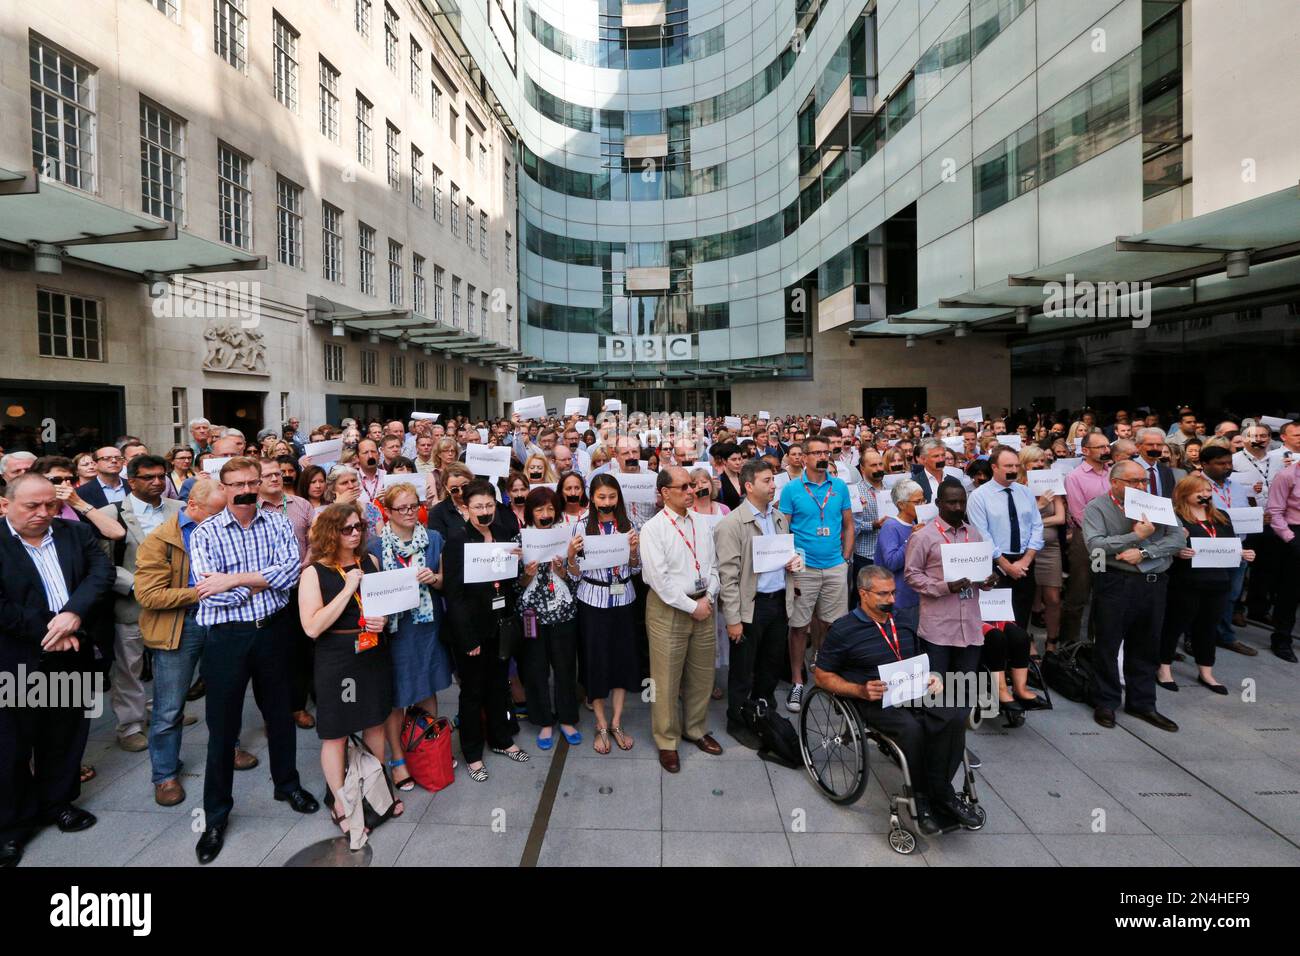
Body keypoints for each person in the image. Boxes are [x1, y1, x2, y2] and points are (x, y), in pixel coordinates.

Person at [188, 457, 318, 864]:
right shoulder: (205, 532)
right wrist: (251, 582)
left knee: (280, 713)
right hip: (227, 637)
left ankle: (287, 783)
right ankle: (215, 817)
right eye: (236, 484)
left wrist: (236, 579)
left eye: (251, 482)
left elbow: (289, 575)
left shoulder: (278, 521)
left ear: (261, 485)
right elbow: (212, 590)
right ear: (223, 489)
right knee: (222, 728)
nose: (246, 489)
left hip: (274, 630)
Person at [0, 474, 113, 868]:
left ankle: (57, 804)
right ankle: (12, 825)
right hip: (18, 658)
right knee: (13, 744)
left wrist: (72, 616)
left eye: (50, 504)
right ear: (5, 504)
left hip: (72, 651)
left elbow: (101, 576)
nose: (44, 513)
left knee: (64, 735)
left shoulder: (74, 533)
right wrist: (54, 629)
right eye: (32, 506)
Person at [814, 566, 981, 832]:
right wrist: (859, 690)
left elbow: (921, 656)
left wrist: (933, 676)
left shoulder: (903, 620)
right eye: (883, 594)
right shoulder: (843, 630)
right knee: (911, 729)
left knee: (955, 713)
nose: (892, 599)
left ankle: (941, 790)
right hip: (873, 697)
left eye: (893, 592)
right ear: (863, 594)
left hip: (913, 690)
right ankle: (922, 798)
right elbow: (821, 676)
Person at [135, 480, 259, 806]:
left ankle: (226, 749)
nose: (224, 519)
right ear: (192, 506)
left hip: (223, 621)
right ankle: (164, 775)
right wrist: (204, 591)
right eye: (217, 513)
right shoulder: (160, 540)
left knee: (225, 694)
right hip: (182, 625)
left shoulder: (227, 530)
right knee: (169, 707)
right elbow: (149, 595)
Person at [299, 503, 402, 836]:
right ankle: (341, 801)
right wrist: (346, 589)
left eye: (358, 527)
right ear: (331, 533)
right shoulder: (314, 572)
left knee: (375, 721)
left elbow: (382, 605)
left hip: (372, 650)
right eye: (347, 529)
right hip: (337, 657)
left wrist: (382, 619)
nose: (356, 533)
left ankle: (376, 790)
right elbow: (312, 627)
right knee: (337, 732)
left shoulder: (369, 561)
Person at [1082, 460, 1184, 732]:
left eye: (1143, 481)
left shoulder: (1157, 504)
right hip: (1117, 582)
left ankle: (1142, 703)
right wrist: (1133, 536)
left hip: (1153, 582)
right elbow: (1095, 547)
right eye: (1133, 481)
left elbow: (1177, 540)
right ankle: (1105, 701)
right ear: (1114, 483)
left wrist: (1145, 551)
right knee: (1108, 643)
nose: (1141, 486)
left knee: (1147, 644)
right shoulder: (1097, 507)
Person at [440, 480, 530, 781]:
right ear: (465, 508)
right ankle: (473, 753)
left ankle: (502, 740)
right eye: (478, 506)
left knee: (498, 684)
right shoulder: (456, 541)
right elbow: (453, 595)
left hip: (500, 624)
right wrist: (467, 638)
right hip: (472, 631)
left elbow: (508, 582)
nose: (485, 511)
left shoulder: (504, 533)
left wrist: (518, 565)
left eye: (489, 505)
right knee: (472, 692)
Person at [96, 454, 183, 752]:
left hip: (173, 603)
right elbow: (102, 563)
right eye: (149, 477)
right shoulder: (111, 513)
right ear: (131, 481)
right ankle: (130, 726)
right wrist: (138, 586)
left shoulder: (179, 509)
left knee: (169, 664)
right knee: (128, 668)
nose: (157, 482)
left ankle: (164, 714)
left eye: (161, 476)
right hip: (131, 604)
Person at [639, 466, 723, 773]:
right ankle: (667, 740)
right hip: (670, 609)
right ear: (665, 493)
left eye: (693, 486)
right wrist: (692, 606)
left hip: (703, 604)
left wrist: (709, 597)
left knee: (702, 674)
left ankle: (696, 728)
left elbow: (713, 567)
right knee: (665, 678)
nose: (692, 491)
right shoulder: (653, 529)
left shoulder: (702, 523)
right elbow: (658, 580)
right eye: (684, 487)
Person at [367, 483, 449, 787]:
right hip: (396, 631)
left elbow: (445, 583)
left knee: (428, 686)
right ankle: (399, 758)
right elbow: (371, 594)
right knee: (397, 695)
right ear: (388, 512)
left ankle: (428, 744)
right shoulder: (375, 547)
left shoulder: (434, 540)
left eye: (414, 506)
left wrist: (436, 579)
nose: (410, 512)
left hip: (428, 626)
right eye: (402, 508)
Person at [715, 459, 799, 749]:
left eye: (773, 480)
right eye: (766, 481)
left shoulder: (778, 518)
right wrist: (733, 619)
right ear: (749, 485)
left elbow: (781, 554)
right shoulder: (732, 524)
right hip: (751, 608)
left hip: (778, 603)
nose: (773, 485)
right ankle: (737, 719)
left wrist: (793, 561)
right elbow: (728, 576)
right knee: (742, 669)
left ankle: (763, 710)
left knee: (770, 664)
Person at [1157, 476, 1254, 694]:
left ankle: (1206, 671)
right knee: (1175, 625)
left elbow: (1230, 546)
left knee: (1208, 627)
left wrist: (1243, 554)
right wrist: (1177, 551)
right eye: (1198, 491)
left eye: (1207, 490)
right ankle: (1163, 668)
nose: (1205, 495)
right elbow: (1163, 547)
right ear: (1184, 494)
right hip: (1186, 581)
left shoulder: (1221, 517)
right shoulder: (1176, 517)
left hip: (1218, 581)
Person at [780, 435, 854, 713]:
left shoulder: (839, 487)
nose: (824, 456)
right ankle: (798, 681)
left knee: (832, 624)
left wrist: (845, 558)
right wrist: (789, 557)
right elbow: (783, 527)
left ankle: (823, 672)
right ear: (805, 458)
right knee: (799, 626)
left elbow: (848, 524)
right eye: (817, 453)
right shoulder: (792, 489)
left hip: (835, 565)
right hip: (804, 567)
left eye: (827, 452)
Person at [904, 481, 999, 688]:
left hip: (970, 626)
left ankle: (962, 719)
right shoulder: (923, 536)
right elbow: (911, 576)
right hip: (939, 628)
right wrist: (945, 587)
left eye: (962, 502)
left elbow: (982, 575)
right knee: (936, 690)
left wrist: (988, 580)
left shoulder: (973, 534)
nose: (958, 507)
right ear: (938, 503)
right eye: (952, 502)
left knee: (965, 688)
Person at [571, 474, 641, 754]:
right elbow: (573, 573)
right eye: (602, 497)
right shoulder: (580, 526)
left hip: (623, 598)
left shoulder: (628, 526)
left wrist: (634, 551)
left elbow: (635, 569)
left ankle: (616, 721)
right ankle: (600, 724)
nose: (607, 502)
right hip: (592, 600)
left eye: (612, 497)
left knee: (623, 661)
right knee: (596, 662)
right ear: (592, 498)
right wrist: (570, 554)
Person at [517, 487, 585, 750]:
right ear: (530, 512)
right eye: (539, 509)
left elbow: (576, 577)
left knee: (566, 666)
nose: (545, 514)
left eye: (550, 509)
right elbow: (517, 585)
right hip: (532, 614)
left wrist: (564, 567)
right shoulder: (520, 539)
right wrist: (528, 574)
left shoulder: (568, 536)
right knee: (536, 668)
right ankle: (544, 720)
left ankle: (567, 718)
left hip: (563, 612)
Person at [967, 446, 1043, 631]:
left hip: (1025, 563)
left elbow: (1037, 526)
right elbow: (982, 535)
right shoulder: (979, 497)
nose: (1013, 470)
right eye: (1008, 466)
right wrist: (1006, 565)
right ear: (994, 467)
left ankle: (1020, 657)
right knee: (999, 623)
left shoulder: (1025, 492)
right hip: (996, 565)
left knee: (1022, 616)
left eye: (1016, 466)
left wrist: (1026, 559)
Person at [1060, 430, 1113, 647]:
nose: (1106, 450)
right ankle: (1069, 643)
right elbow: (1078, 512)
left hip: (1111, 540)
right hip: (1088, 541)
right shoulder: (1075, 477)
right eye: (1100, 447)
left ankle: (1095, 641)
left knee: (1101, 589)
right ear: (1085, 451)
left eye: (1107, 446)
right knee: (1079, 591)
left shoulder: (1114, 473)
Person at [1019, 446, 1065, 655]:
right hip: (1026, 550)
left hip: (1051, 549)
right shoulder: (1018, 486)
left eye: (1041, 461)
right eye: (1034, 461)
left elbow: (1060, 518)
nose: (1039, 464)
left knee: (1053, 598)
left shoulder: (1052, 483)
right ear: (1024, 464)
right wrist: (1039, 506)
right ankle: (1027, 643)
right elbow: (1018, 522)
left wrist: (1035, 521)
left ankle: (1052, 642)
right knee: (1026, 598)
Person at [875, 479, 924, 633]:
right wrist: (912, 539)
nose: (922, 505)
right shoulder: (891, 527)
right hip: (899, 601)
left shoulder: (919, 524)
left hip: (917, 596)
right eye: (917, 502)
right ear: (901, 504)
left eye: (924, 500)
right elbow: (891, 562)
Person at [1267, 451, 1300, 662]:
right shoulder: (1287, 475)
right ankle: (1281, 638)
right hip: (1295, 533)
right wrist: (1290, 539)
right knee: (1291, 592)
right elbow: (1275, 511)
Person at [426, 462, 474, 540]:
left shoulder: (487, 505)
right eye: (454, 490)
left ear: (472, 481)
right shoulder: (437, 512)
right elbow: (439, 544)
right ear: (446, 488)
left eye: (465, 486)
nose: (461, 493)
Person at [75, 446, 128, 510]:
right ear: (95, 464)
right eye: (106, 458)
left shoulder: (133, 485)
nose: (114, 461)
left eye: (118, 458)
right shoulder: (81, 492)